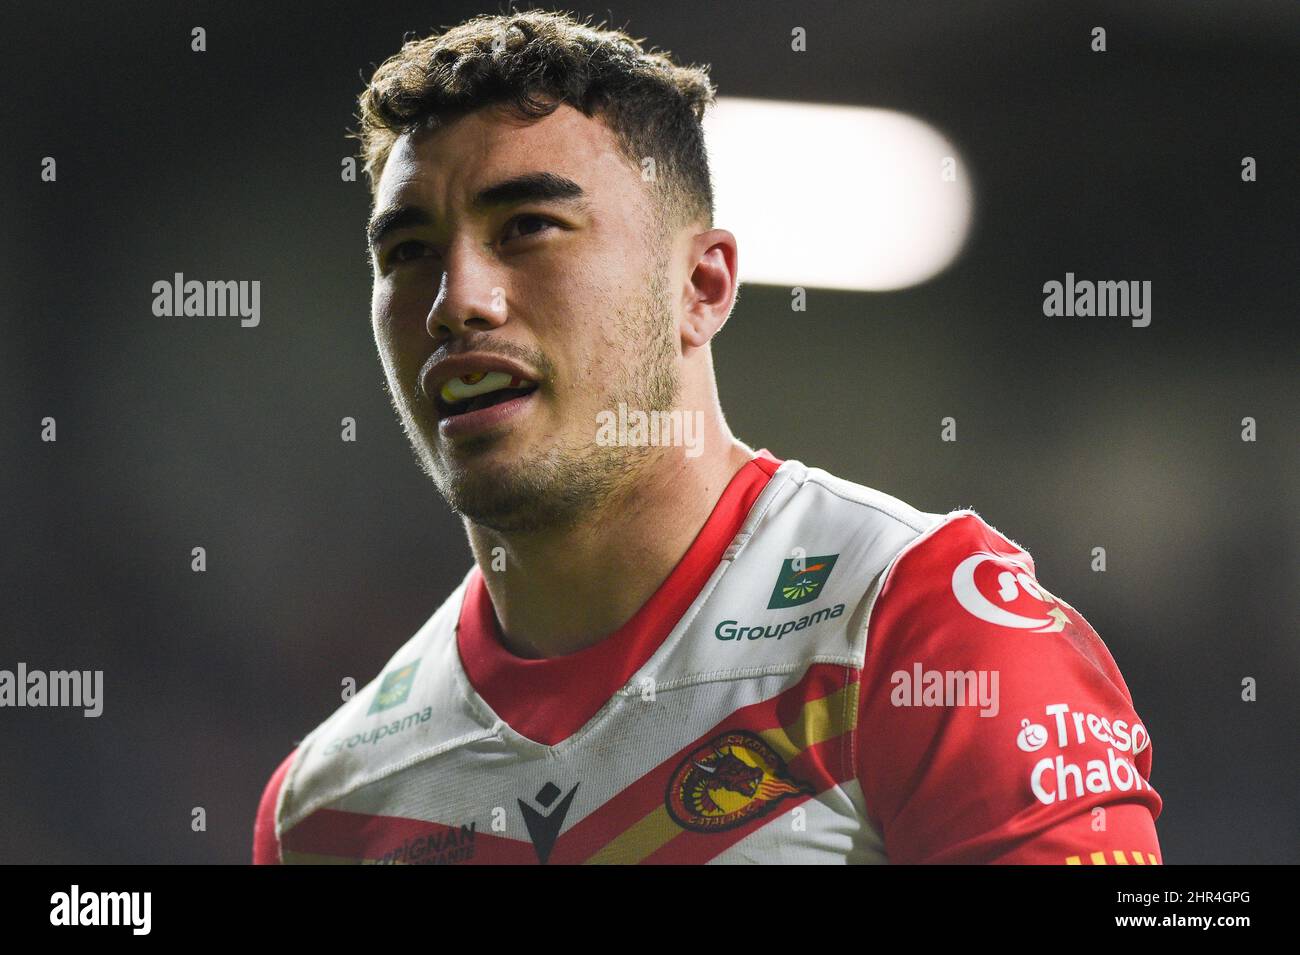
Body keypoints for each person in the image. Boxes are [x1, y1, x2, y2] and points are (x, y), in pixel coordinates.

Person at [254, 9, 1162, 865]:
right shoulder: (327, 806)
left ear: (702, 285)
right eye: (408, 251)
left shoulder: (921, 633)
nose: (458, 300)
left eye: (528, 226)